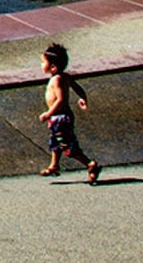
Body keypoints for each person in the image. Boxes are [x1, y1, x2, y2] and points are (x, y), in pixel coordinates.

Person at [37, 43, 100, 183]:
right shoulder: (65, 76)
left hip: (60, 118)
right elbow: (78, 87)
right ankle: (54, 165)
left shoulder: (57, 79)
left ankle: (89, 164)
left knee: (67, 145)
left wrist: (48, 113)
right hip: (58, 118)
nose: (41, 65)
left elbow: (61, 100)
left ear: (53, 66)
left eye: (43, 62)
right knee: (56, 142)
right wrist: (83, 98)